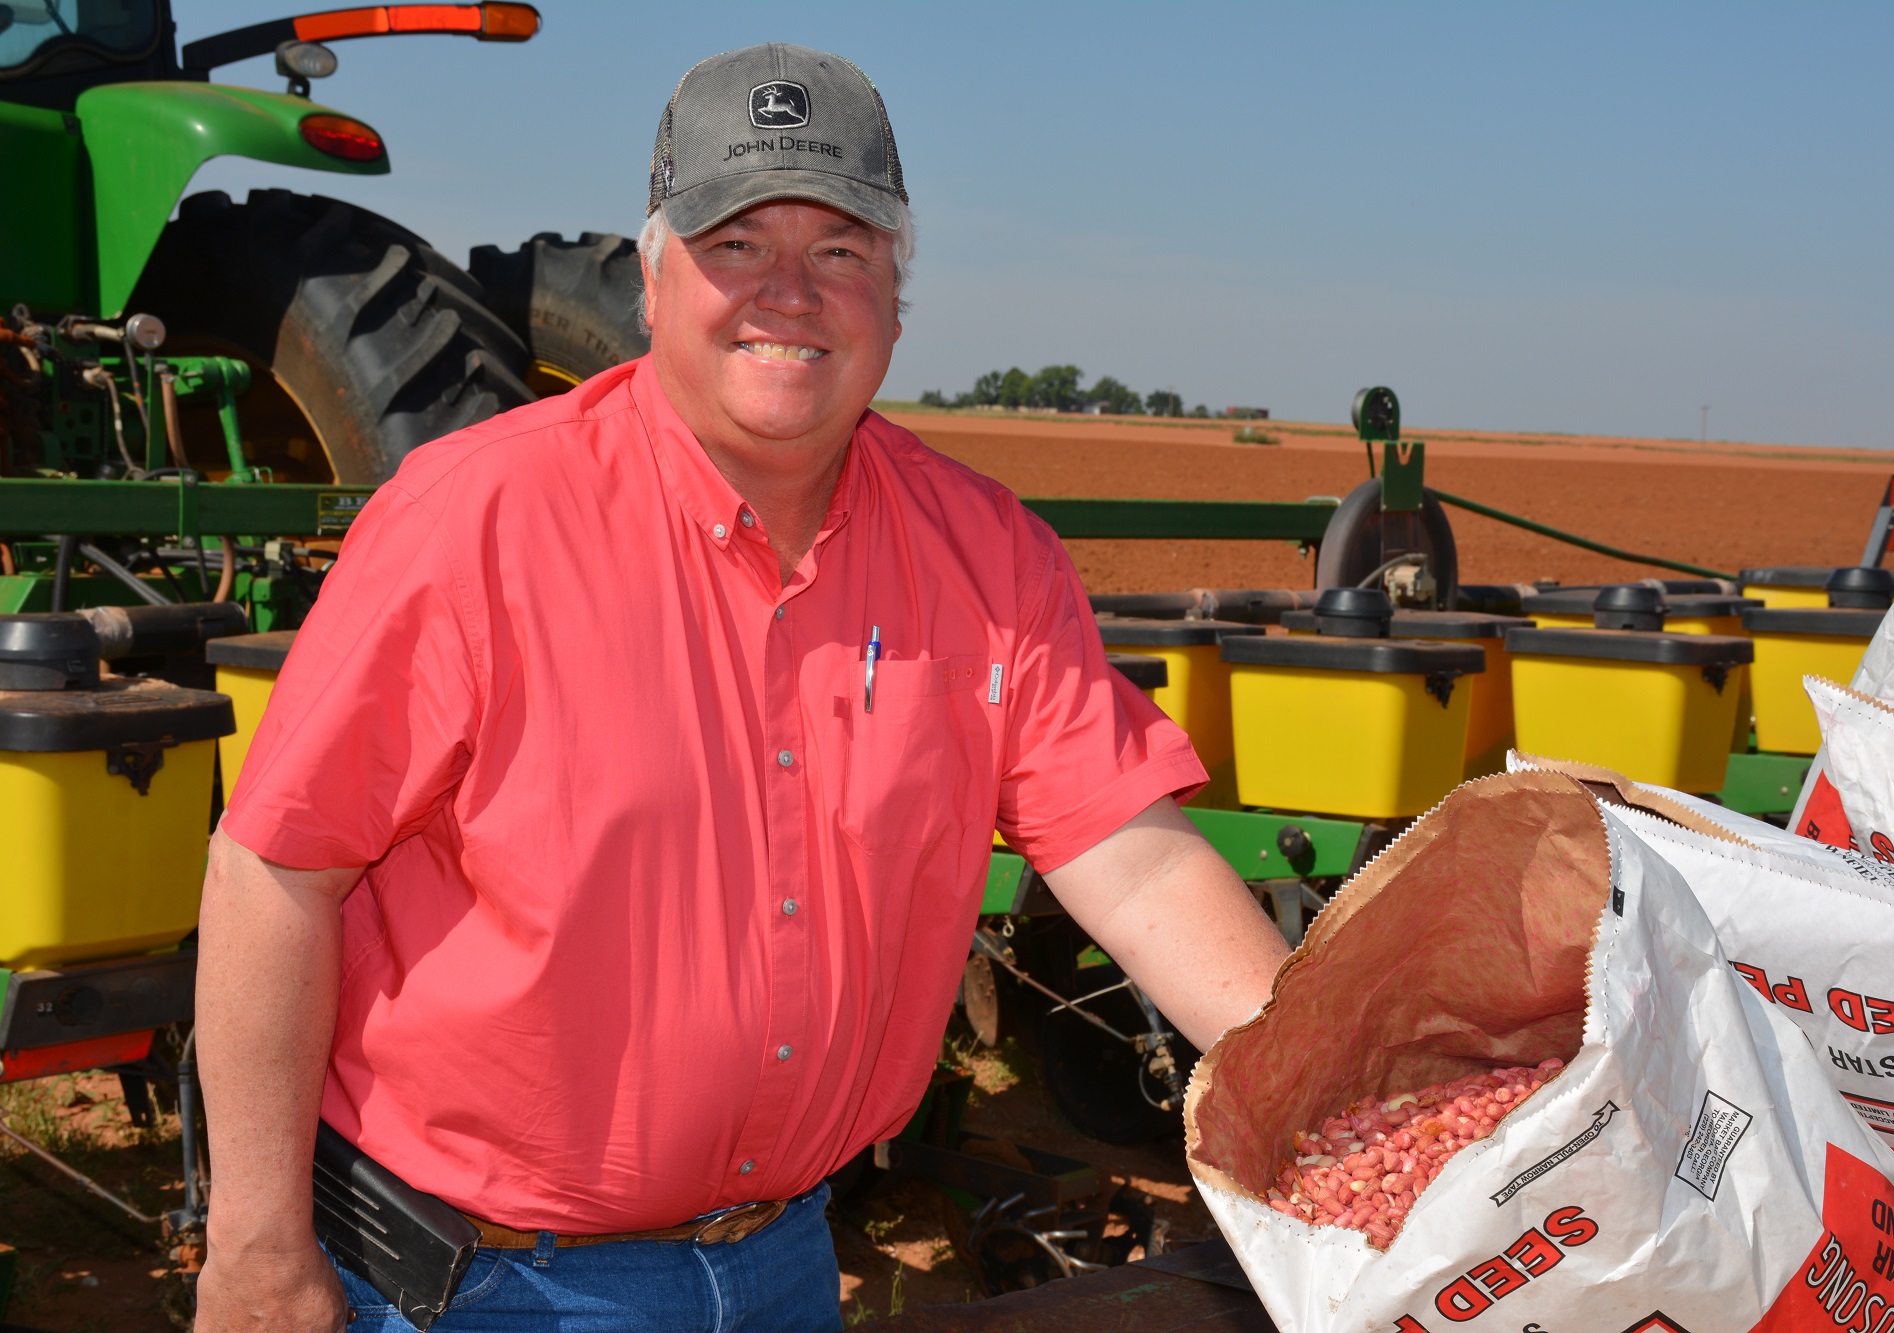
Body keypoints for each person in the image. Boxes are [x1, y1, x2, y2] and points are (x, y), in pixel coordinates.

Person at [192, 42, 1288, 1333]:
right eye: (736, 244)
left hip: (780, 1264)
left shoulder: (988, 558)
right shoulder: (473, 522)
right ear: (652, 276)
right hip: (481, 1282)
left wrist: (1344, 1086)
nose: (790, 291)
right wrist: (258, 1249)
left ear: (897, 285)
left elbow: (1138, 863)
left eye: (839, 247)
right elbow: (274, 871)